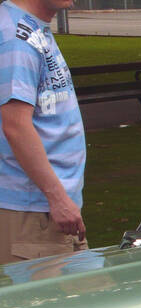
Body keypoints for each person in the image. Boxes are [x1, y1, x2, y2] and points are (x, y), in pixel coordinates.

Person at [0, 0, 85, 264]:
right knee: (53, 304)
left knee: (89, 301)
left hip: (53, 211)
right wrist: (58, 198)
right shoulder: (17, 39)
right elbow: (15, 125)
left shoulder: (31, 28)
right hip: (34, 214)